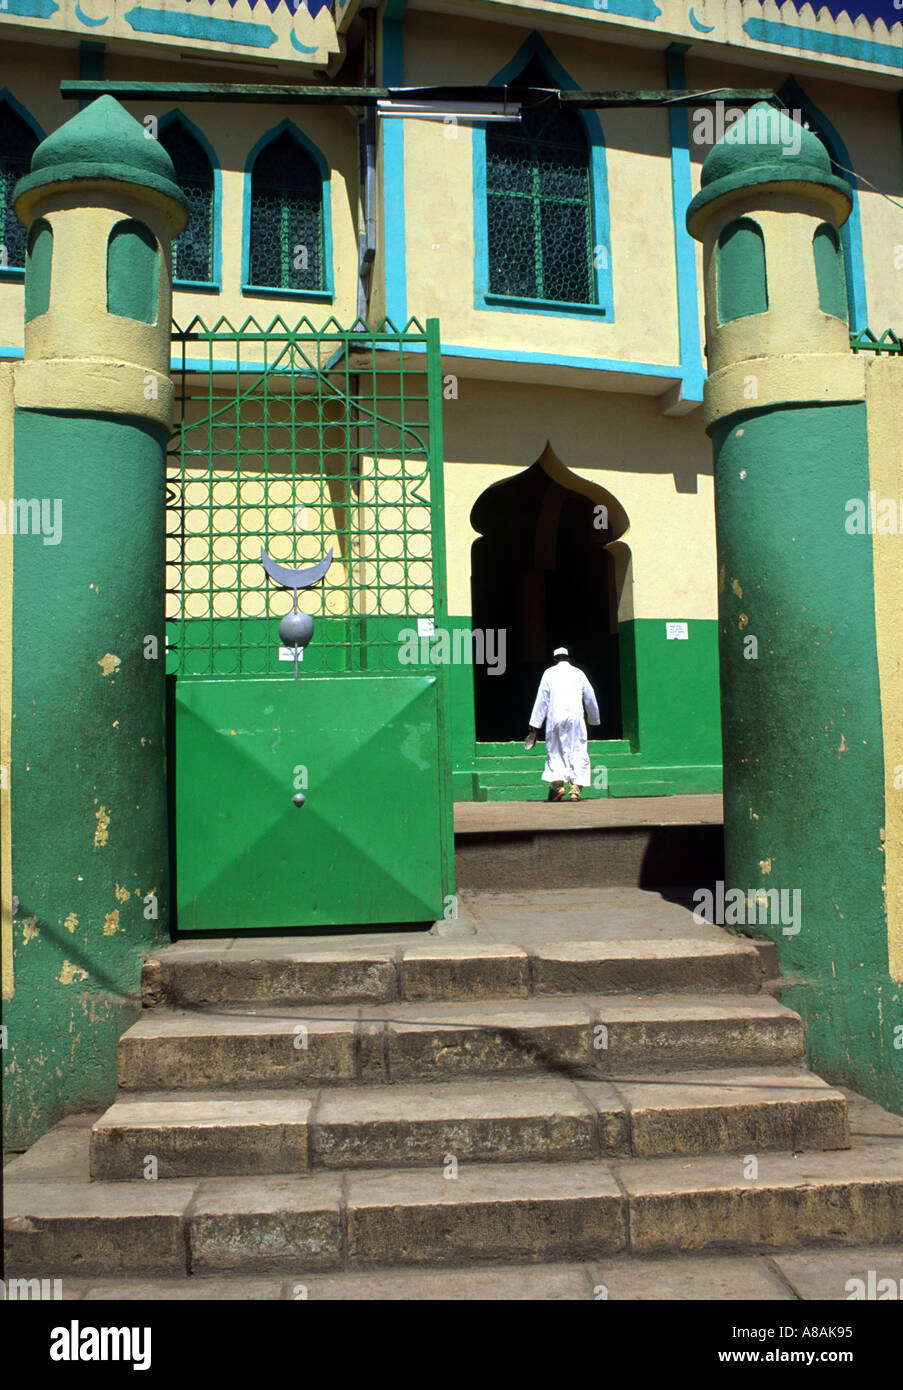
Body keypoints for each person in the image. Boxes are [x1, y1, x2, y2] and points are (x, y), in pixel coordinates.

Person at [526, 647, 601, 802]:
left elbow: (542, 699)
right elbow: (590, 695)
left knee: (555, 752)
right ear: (568, 658)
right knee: (578, 751)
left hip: (555, 719)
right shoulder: (579, 673)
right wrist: (593, 719)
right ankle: (575, 791)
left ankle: (559, 787)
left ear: (555, 659)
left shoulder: (549, 673)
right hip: (575, 720)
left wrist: (535, 724)